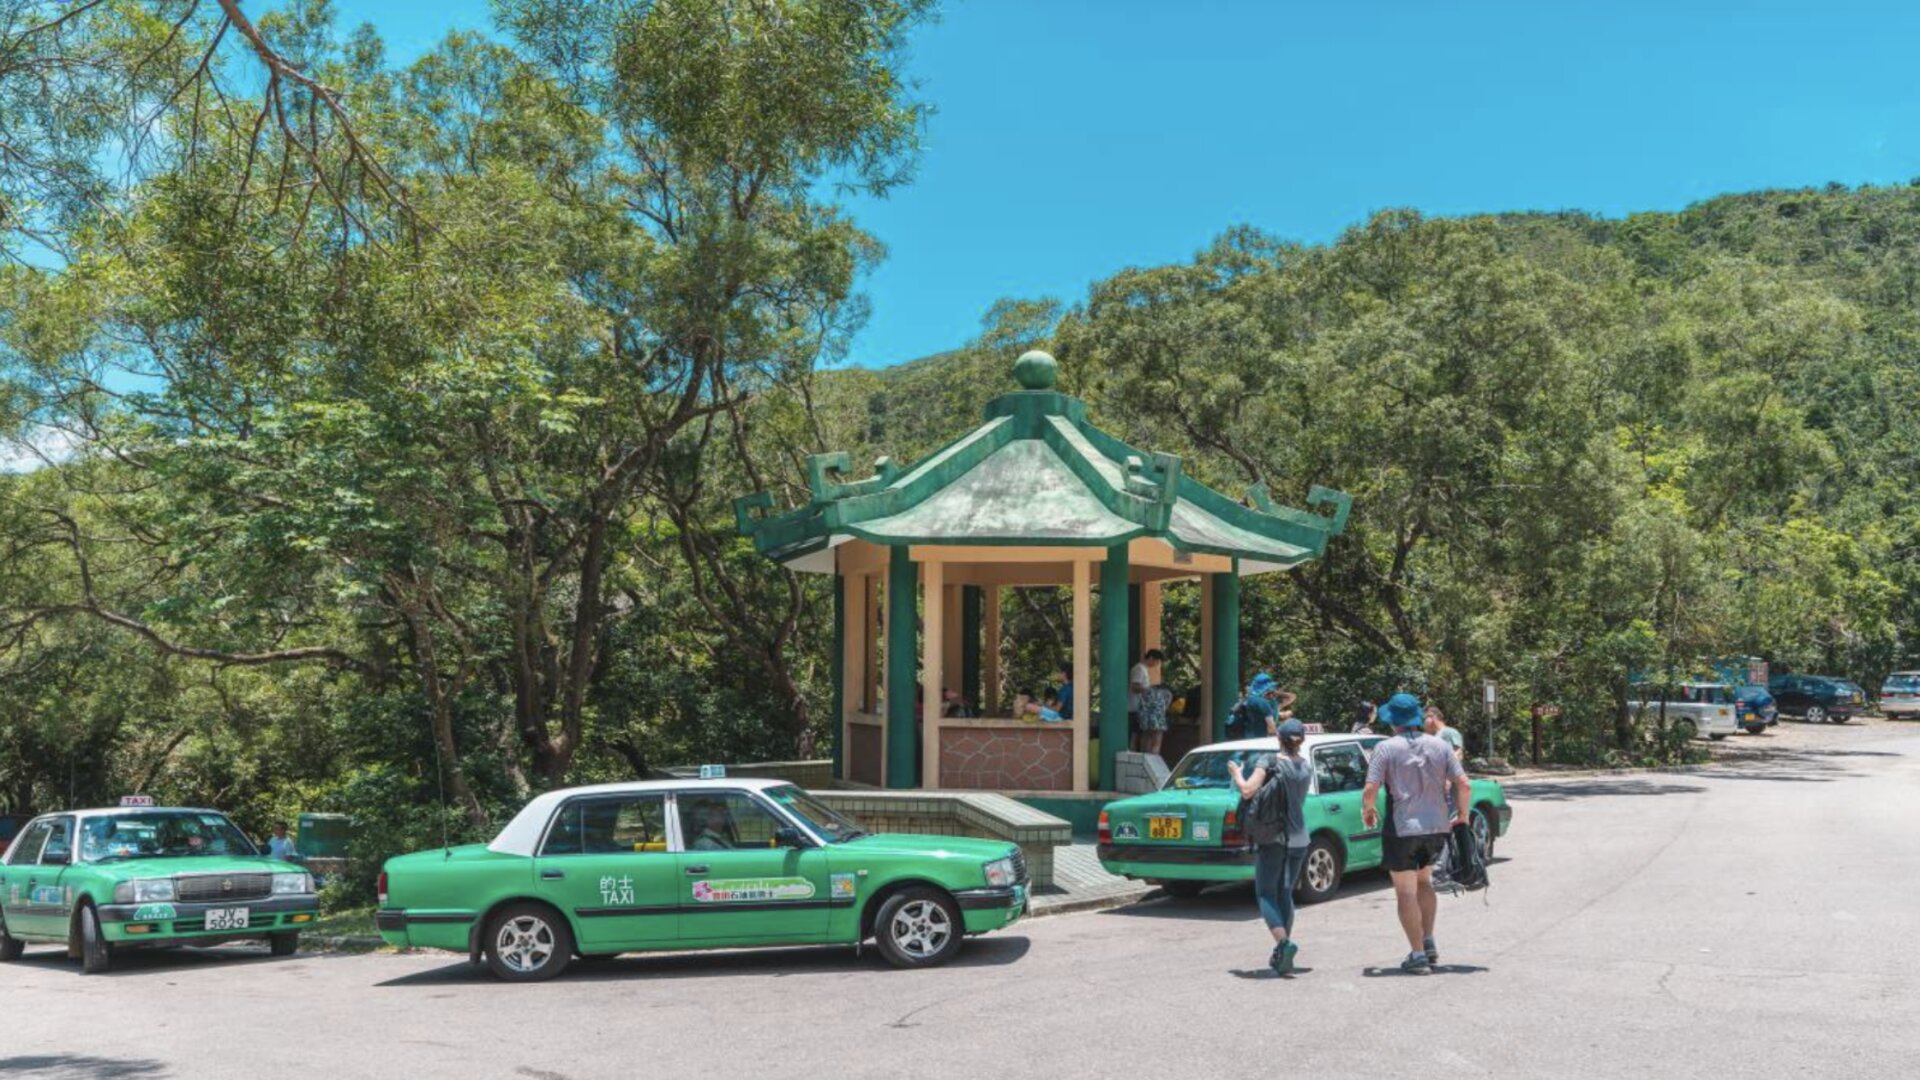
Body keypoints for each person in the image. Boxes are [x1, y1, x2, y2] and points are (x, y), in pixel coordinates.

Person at [1362, 693, 1472, 974]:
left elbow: (1371, 787)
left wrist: (1368, 810)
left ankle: (1418, 954)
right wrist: (1462, 816)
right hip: (1436, 827)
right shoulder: (1441, 745)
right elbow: (1463, 783)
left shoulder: (1385, 748)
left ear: (1393, 722)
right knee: (1425, 882)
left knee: (1405, 891)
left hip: (1403, 828)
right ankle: (1428, 939)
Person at [1227, 717, 1314, 976]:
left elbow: (1247, 791)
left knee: (1266, 893)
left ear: (1279, 739)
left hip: (1275, 838)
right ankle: (1283, 954)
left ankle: (1284, 944)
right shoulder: (1306, 767)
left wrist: (1236, 772)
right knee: (1284, 892)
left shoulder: (1269, 761)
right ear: (1302, 741)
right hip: (1299, 838)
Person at [1129, 649, 1166, 753]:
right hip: (1136, 706)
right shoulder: (1139, 669)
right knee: (1136, 734)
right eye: (1157, 661)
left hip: (1141, 707)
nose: (1156, 665)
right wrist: (1150, 690)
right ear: (1151, 658)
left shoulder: (1143, 669)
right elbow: (1134, 687)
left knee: (1142, 733)